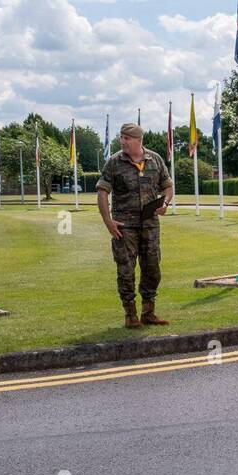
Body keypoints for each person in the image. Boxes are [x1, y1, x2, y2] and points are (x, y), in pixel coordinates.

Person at [97, 123, 173, 328]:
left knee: (152, 268)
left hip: (150, 225)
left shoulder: (155, 159)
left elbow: (167, 186)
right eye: (121, 137)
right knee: (126, 270)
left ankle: (149, 312)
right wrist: (107, 221)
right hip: (124, 226)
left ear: (139, 140)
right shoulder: (114, 162)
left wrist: (165, 203)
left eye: (127, 138)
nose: (122, 141)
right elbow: (102, 192)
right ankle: (130, 314)